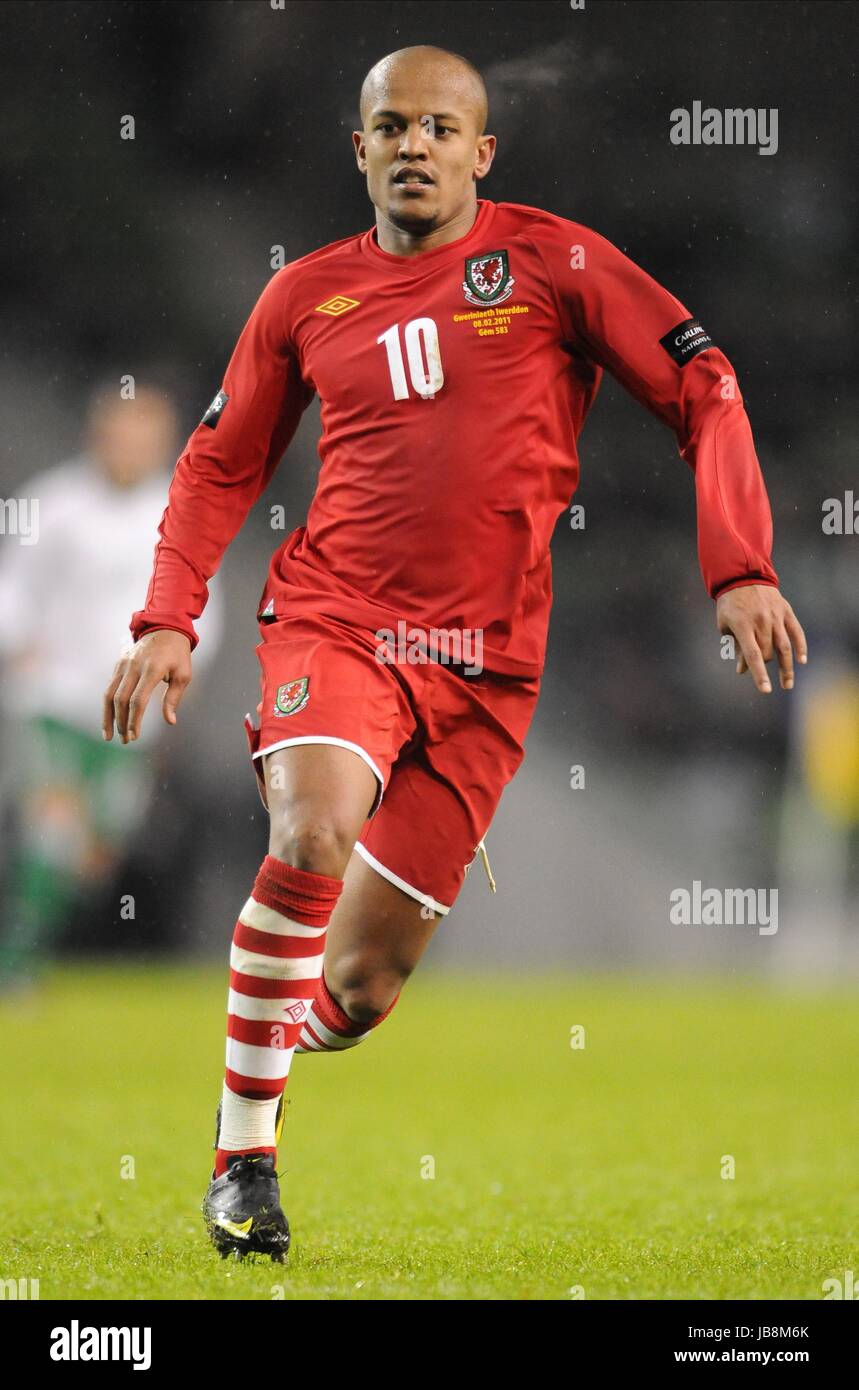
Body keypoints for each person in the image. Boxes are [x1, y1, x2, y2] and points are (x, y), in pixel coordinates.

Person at [102, 46, 807, 1262]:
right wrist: (168, 614)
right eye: (391, 126)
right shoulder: (303, 298)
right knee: (312, 829)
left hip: (487, 669)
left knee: (362, 993)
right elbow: (223, 462)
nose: (413, 145)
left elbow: (702, 376)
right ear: (360, 148)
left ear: (481, 152)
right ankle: (243, 1160)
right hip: (336, 620)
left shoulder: (558, 264)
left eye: (439, 128)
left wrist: (738, 560)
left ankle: (258, 1038)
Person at [0, 386, 222, 989]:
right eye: (122, 433)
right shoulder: (54, 503)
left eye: (145, 438)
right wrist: (19, 642)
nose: (131, 448)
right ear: (100, 435)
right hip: (57, 700)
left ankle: (32, 939)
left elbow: (205, 604)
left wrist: (186, 668)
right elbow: (13, 587)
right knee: (53, 829)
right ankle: (15, 966)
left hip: (131, 712)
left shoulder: (178, 513)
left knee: (98, 851)